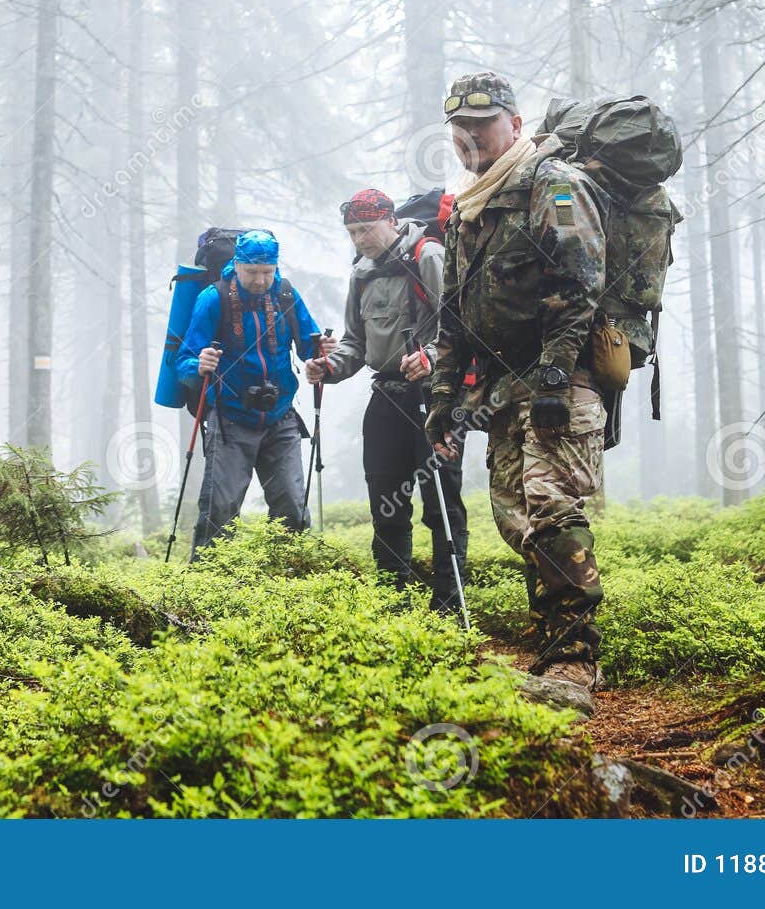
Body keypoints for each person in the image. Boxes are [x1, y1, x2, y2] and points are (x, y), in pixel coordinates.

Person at [425, 72, 609, 711]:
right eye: (460, 129)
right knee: (517, 516)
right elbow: (454, 310)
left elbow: (581, 282)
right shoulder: (471, 208)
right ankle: (553, 643)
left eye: (483, 125)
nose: (471, 138)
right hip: (504, 387)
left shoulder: (551, 187)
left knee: (550, 506)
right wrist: (445, 393)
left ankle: (573, 663)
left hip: (562, 380)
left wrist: (558, 374)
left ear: (515, 124)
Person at [307, 188, 468, 614]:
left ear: (391, 221)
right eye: (353, 231)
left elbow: (459, 324)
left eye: (367, 228)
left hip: (437, 394)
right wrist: (329, 366)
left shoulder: (428, 256)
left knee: (440, 502)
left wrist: (431, 358)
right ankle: (392, 601)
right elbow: (355, 343)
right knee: (385, 500)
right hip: (387, 392)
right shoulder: (361, 272)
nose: (359, 239)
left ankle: (449, 604)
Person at [176, 229, 326, 557]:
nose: (260, 280)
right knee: (219, 510)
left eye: (267, 272)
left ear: (275, 268)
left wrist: (319, 356)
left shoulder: (285, 294)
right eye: (252, 272)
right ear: (237, 265)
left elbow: (308, 346)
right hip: (230, 418)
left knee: (291, 506)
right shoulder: (212, 299)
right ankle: (205, 586)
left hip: (280, 415)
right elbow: (183, 361)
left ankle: (292, 579)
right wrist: (198, 364)